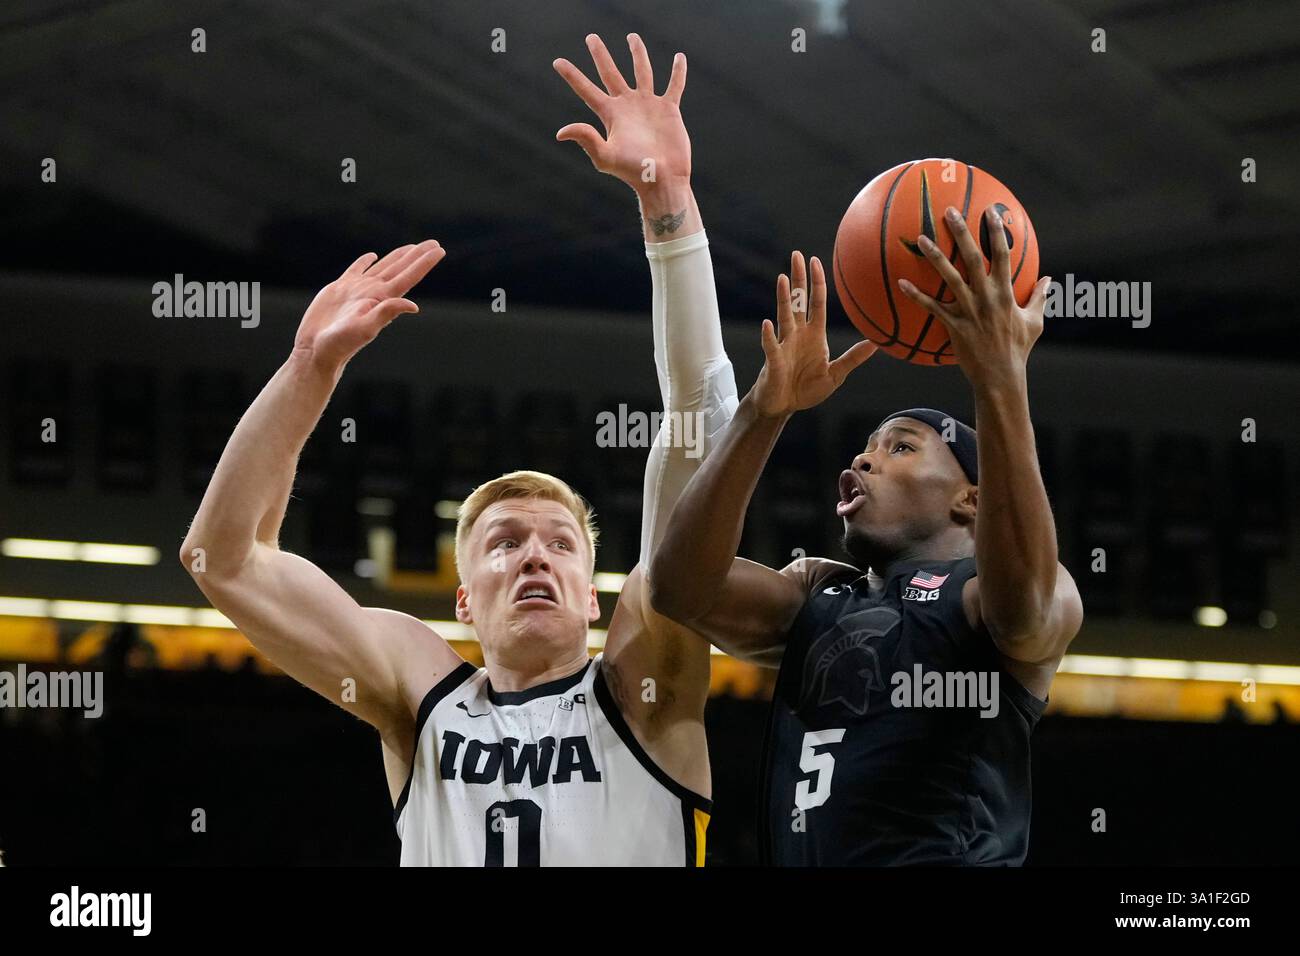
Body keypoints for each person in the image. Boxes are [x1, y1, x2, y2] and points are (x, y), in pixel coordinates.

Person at [180, 33, 737, 865]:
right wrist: (307, 371)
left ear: (593, 596)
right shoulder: (421, 693)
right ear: (465, 601)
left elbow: (699, 416)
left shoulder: (644, 685)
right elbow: (222, 558)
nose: (534, 559)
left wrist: (670, 212)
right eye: (504, 544)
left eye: (560, 544)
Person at [648, 207, 1084, 865]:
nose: (862, 461)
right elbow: (679, 587)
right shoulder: (816, 594)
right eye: (865, 449)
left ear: (971, 499)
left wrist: (999, 377)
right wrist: (764, 412)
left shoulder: (984, 599)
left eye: (900, 448)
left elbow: (1023, 608)